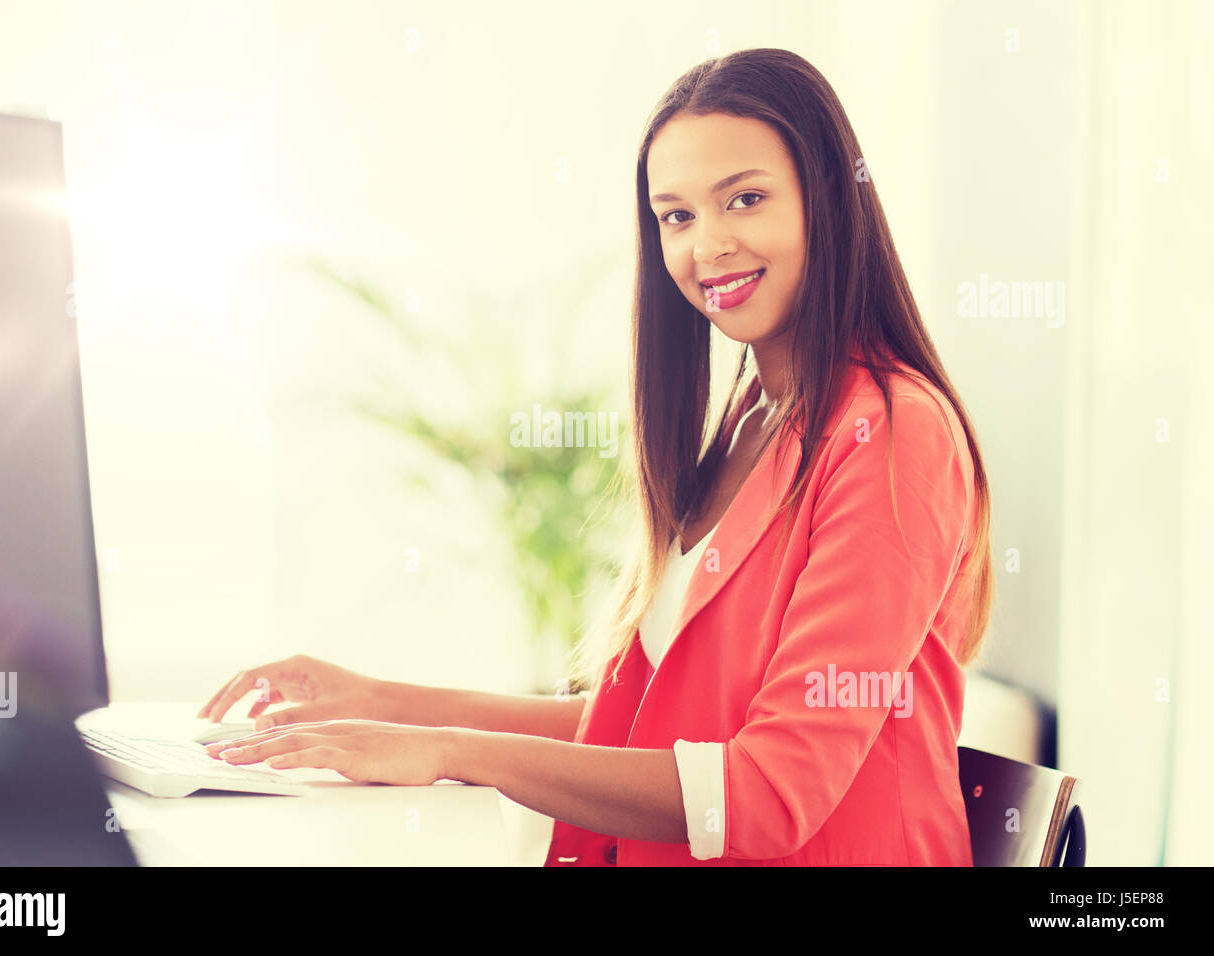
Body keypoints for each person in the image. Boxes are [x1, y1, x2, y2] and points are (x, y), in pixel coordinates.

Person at [198, 48, 994, 866]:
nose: (707, 245)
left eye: (745, 200)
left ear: (829, 200)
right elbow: (631, 731)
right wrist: (383, 706)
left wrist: (448, 753)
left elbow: (768, 795)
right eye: (676, 216)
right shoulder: (750, 418)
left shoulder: (895, 436)